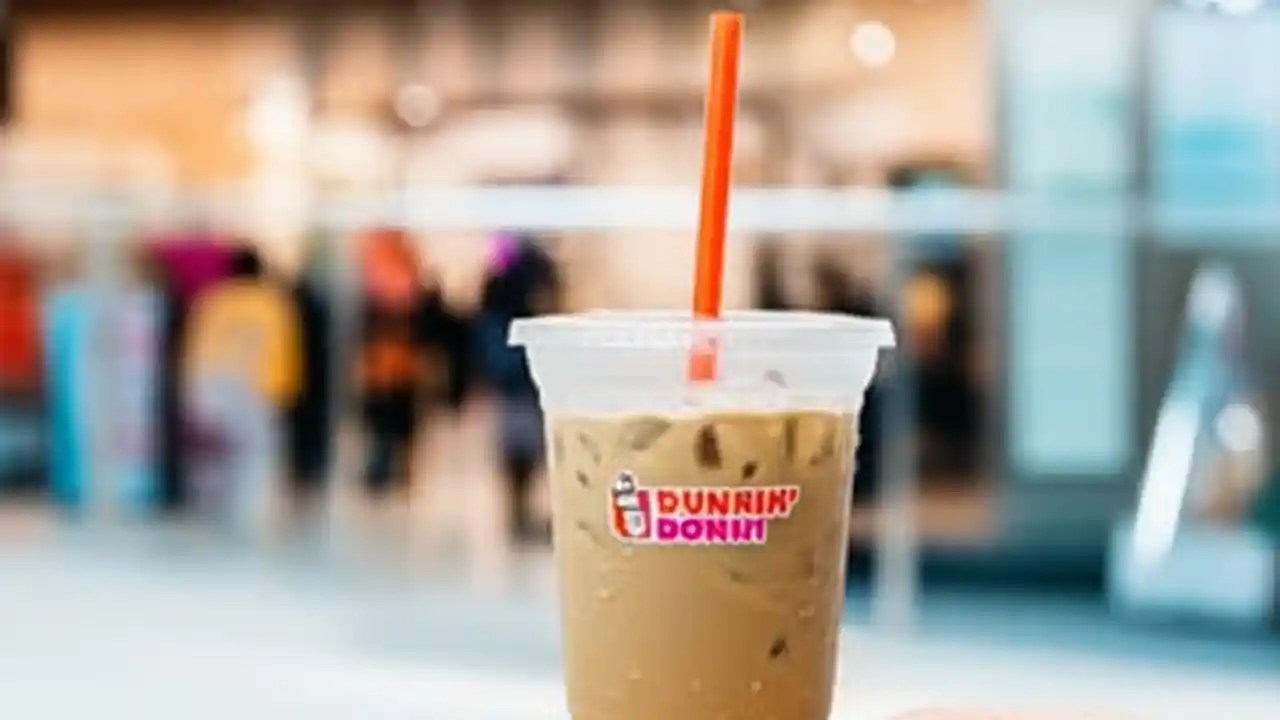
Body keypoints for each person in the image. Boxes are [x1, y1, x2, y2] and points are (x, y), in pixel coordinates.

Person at [183, 246, 302, 535]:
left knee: (212, 454)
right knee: (256, 454)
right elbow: (283, 349)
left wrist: (192, 392)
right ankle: (247, 513)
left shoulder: (213, 299)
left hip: (211, 386)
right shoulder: (272, 303)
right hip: (255, 387)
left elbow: (195, 348)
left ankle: (209, 509)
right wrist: (286, 389)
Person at [475, 232, 561, 541]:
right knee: (521, 450)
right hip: (520, 382)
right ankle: (518, 515)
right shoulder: (521, 281)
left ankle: (520, 514)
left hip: (517, 382)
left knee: (521, 451)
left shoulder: (501, 283)